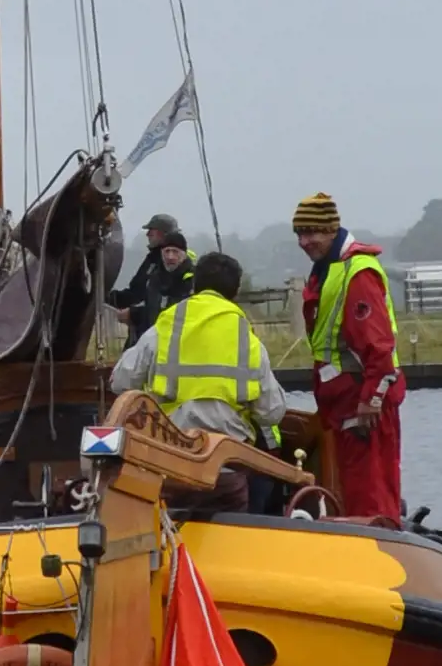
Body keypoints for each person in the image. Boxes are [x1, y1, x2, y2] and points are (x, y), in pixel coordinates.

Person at [108, 248, 297, 448]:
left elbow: (120, 382)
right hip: (231, 452)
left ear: (195, 285)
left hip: (171, 448)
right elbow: (272, 412)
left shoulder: (165, 326)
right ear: (235, 292)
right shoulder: (248, 340)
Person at [292, 190, 406, 521]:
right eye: (299, 234)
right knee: (353, 492)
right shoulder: (328, 270)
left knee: (370, 497)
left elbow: (379, 347)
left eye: (311, 233)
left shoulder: (357, 273)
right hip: (343, 405)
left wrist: (371, 400)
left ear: (331, 230)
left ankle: (377, 543)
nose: (304, 242)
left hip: (363, 407)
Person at [112, 211, 196, 339]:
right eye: (167, 251)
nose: (147, 234)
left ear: (162, 234)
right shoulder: (155, 268)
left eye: (151, 231)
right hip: (148, 335)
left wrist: (133, 314)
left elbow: (165, 308)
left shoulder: (189, 277)